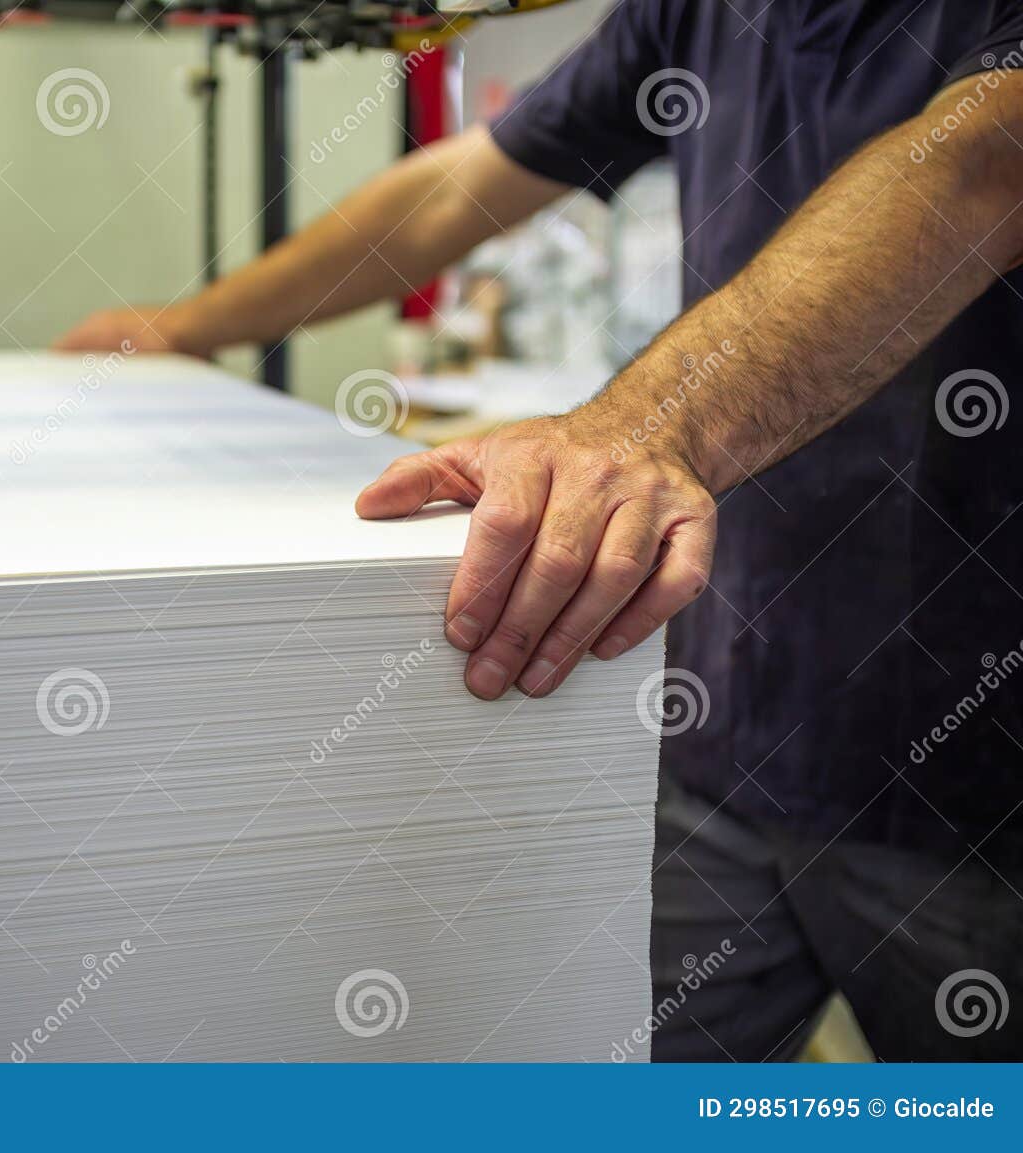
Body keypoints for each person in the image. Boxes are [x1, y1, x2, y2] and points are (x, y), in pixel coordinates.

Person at [56, 1, 1023, 1061]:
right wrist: (189, 328)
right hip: (714, 726)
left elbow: (982, 161)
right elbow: (457, 185)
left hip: (967, 779)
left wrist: (640, 427)